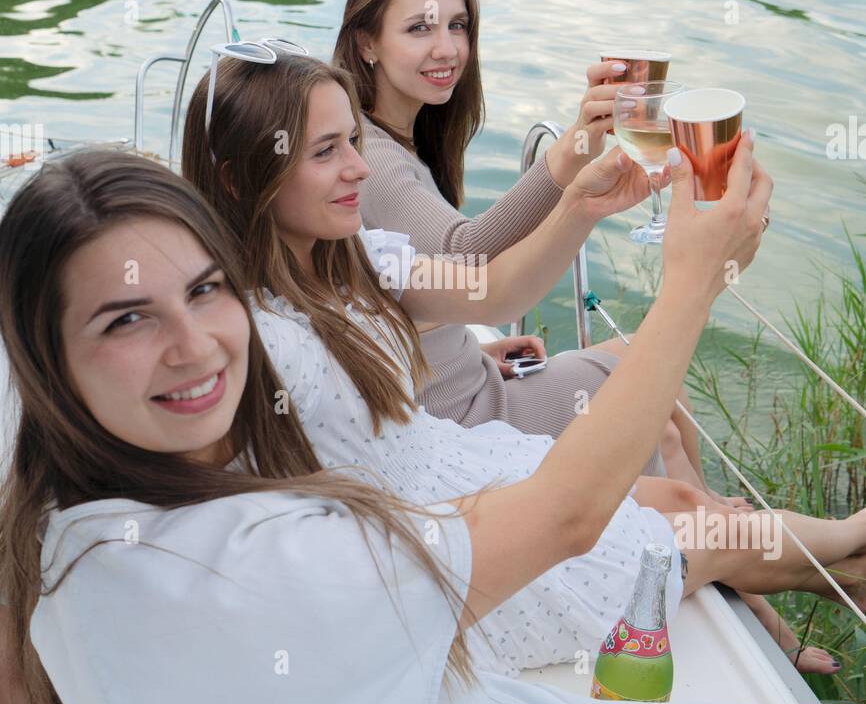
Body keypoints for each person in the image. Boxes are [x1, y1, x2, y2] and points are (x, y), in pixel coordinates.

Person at [2, 147, 863, 704]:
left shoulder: (110, 499)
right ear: (44, 359)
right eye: (125, 320)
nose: (194, 347)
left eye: (202, 290)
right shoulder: (186, 578)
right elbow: (565, 516)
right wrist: (691, 284)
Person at [180, 48, 866, 667]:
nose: (360, 166)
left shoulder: (351, 257)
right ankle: (848, 550)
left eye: (353, 141)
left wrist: (579, 207)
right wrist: (699, 277)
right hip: (436, 551)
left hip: (455, 468)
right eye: (325, 151)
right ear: (242, 178)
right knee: (700, 528)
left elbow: (493, 289)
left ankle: (849, 568)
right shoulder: (244, 339)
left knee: (684, 498)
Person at [335, 0, 735, 503]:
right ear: (366, 42)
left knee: (644, 376)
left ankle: (724, 531)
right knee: (646, 392)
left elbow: (396, 290)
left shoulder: (391, 137)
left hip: (448, 378)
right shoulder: (371, 157)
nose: (447, 47)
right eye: (420, 29)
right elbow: (465, 254)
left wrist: (469, 351)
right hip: (457, 418)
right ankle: (723, 534)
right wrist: (575, 155)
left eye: (458, 25)